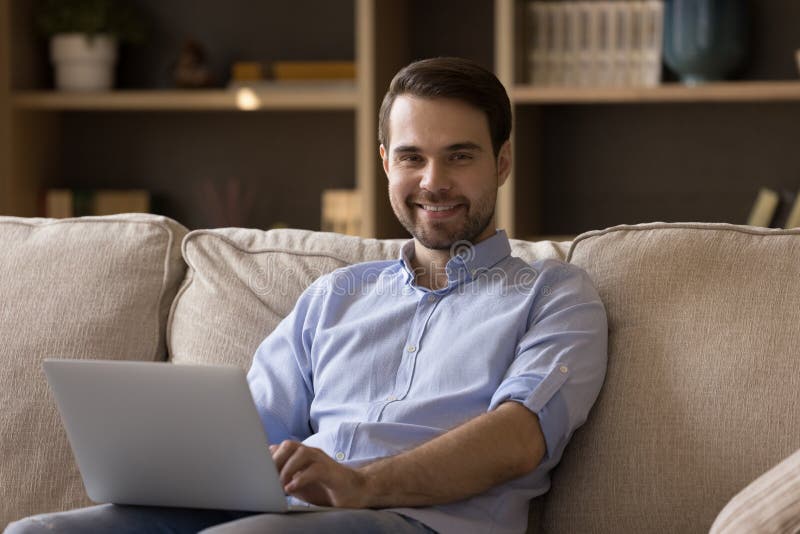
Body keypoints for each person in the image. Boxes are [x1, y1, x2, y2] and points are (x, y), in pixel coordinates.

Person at [6, 57, 607, 534]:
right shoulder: (335, 295)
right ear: (385, 164)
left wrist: (363, 484)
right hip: (283, 515)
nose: (433, 181)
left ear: (501, 163)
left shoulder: (553, 294)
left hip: (420, 522)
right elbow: (248, 435)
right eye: (411, 158)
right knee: (41, 531)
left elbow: (519, 439)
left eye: (460, 156)